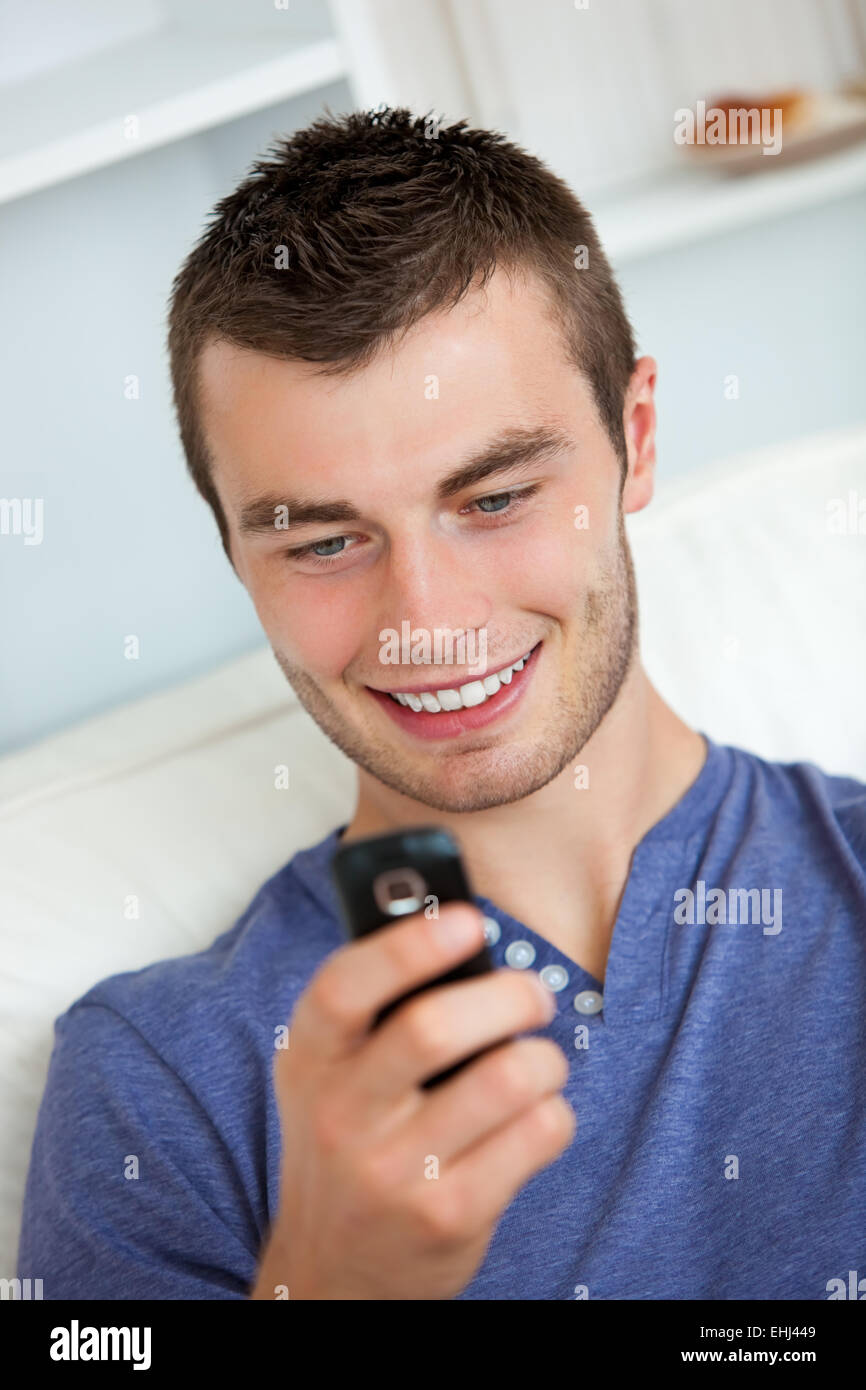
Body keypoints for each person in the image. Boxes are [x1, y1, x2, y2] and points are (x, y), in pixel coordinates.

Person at [18, 108, 866, 1301]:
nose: (422, 616)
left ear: (635, 434)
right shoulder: (156, 1083)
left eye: (496, 496)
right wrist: (326, 1282)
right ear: (232, 555)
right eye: (322, 542)